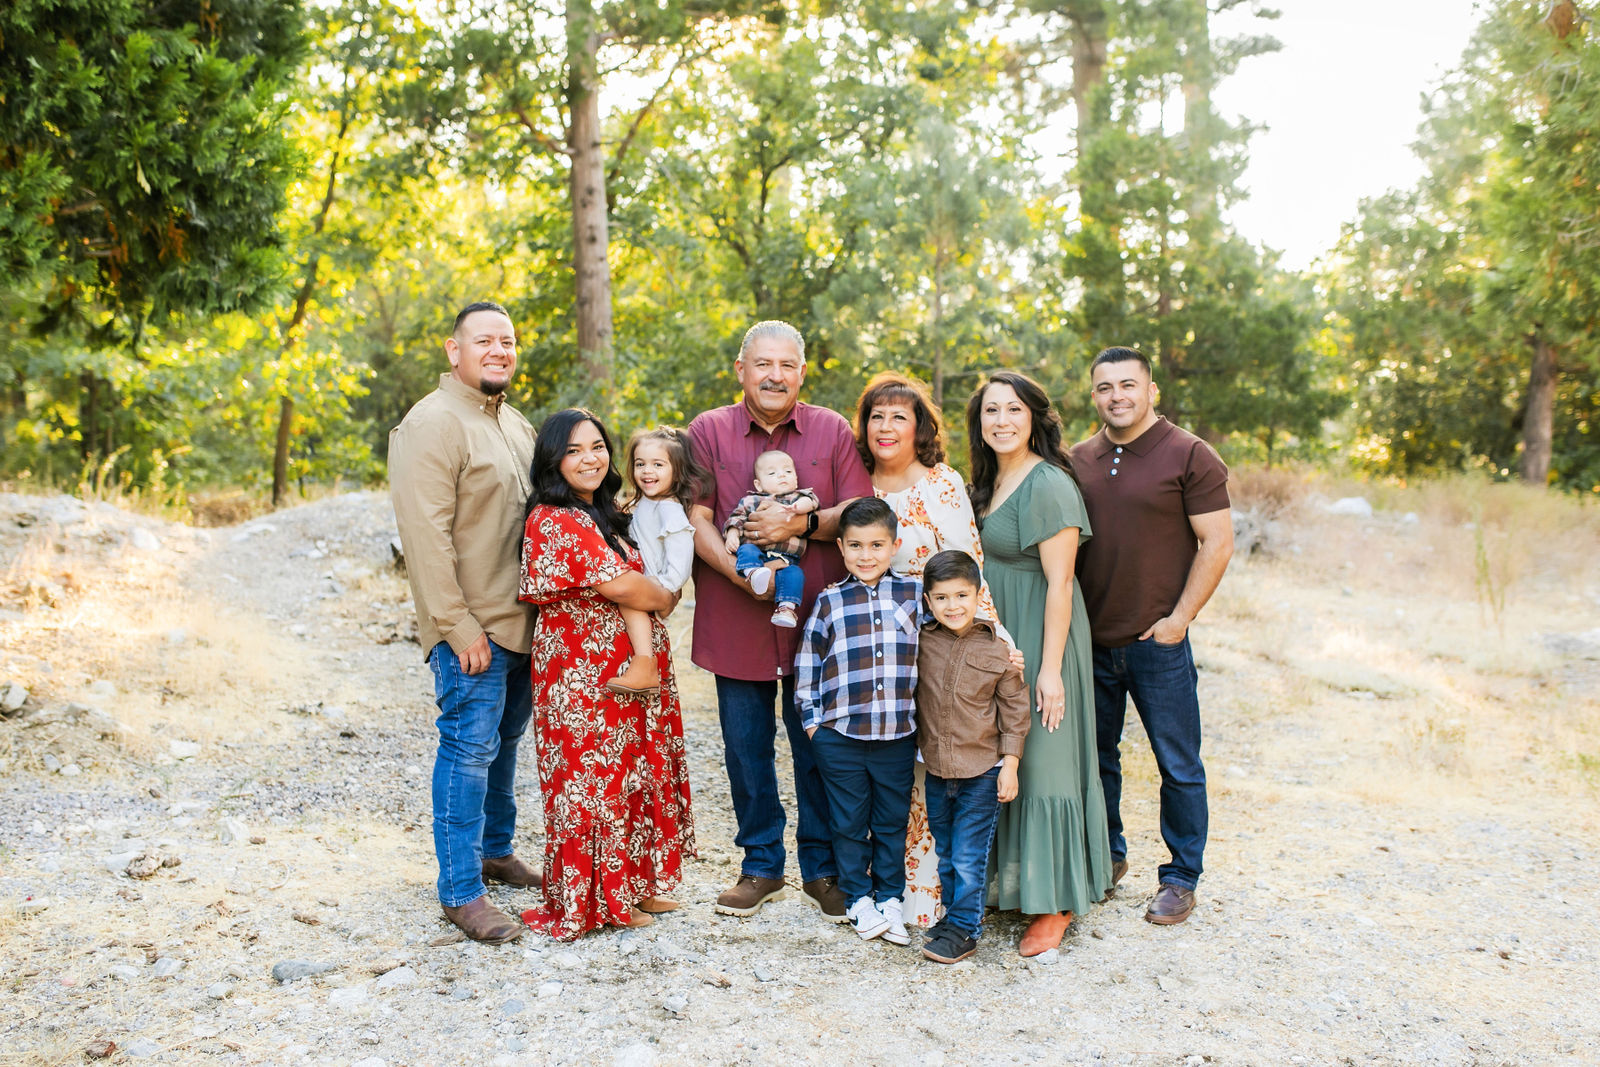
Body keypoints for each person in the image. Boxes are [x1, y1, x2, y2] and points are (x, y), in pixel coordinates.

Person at [686, 320, 875, 921]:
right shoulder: (708, 431)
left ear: (800, 373)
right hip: (734, 620)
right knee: (745, 749)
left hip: (815, 623)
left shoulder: (831, 430)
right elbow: (695, 518)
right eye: (762, 364)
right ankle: (760, 865)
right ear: (740, 370)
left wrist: (799, 525)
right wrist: (741, 575)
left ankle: (822, 869)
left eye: (786, 365)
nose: (774, 375)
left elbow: (857, 509)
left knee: (817, 748)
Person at [388, 300, 541, 945]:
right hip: (472, 630)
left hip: (524, 623)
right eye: (484, 341)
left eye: (507, 341)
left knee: (503, 745)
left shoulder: (518, 426)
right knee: (468, 748)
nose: (499, 351)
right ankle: (459, 889)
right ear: (455, 350)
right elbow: (425, 536)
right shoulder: (432, 423)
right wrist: (455, 624)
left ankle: (494, 850)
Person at [518, 409, 695, 941]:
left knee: (632, 772)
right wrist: (664, 596)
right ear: (554, 460)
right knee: (590, 782)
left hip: (624, 666)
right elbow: (623, 587)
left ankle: (631, 882)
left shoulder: (608, 512)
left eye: (597, 447)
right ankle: (594, 900)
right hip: (581, 672)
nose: (589, 458)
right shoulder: (553, 518)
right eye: (573, 451)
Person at [1069, 347, 1233, 926]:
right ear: (1093, 395)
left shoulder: (1190, 454)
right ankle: (1109, 855)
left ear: (1151, 389)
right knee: (1096, 758)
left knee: (1178, 763)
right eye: (1105, 387)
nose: (1117, 396)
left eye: (1128, 385)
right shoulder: (1077, 459)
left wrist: (1179, 620)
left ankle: (1181, 877)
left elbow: (1218, 543)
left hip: (1156, 642)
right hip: (1089, 641)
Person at [852, 370, 1011, 929]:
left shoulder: (941, 483)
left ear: (921, 427)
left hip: (939, 641)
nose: (887, 426)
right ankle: (872, 893)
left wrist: (992, 638)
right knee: (881, 770)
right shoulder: (855, 480)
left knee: (939, 769)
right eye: (877, 416)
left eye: (901, 415)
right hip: (876, 651)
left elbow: (970, 569)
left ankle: (934, 901)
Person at [967, 370, 1113, 957]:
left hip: (1045, 634)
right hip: (1003, 633)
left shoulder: (1049, 483)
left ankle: (1056, 904)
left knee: (1046, 758)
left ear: (1034, 418)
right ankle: (1014, 883)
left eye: (1013, 410)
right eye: (990, 412)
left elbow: (1060, 583)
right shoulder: (992, 480)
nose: (1001, 421)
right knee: (1004, 756)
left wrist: (1050, 670)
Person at [796, 497, 921, 946]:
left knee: (890, 820)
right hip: (841, 735)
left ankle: (890, 898)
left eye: (876, 545)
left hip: (897, 734)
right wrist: (814, 724)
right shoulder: (830, 600)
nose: (866, 556)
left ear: (894, 546)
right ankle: (857, 899)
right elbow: (808, 663)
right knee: (848, 820)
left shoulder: (913, 593)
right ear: (842, 549)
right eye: (855, 546)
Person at [915, 549, 1031, 965]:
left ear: (978, 594)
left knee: (968, 855)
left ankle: (966, 929)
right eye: (942, 597)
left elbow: (1016, 712)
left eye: (961, 595)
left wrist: (1011, 766)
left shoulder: (999, 649)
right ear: (928, 600)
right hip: (936, 769)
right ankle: (951, 918)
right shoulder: (922, 641)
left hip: (983, 771)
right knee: (946, 850)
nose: (952, 606)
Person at [607, 427, 711, 696]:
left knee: (629, 603)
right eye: (640, 464)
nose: (646, 471)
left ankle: (645, 665)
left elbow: (681, 552)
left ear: (676, 471)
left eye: (658, 465)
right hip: (642, 576)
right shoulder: (646, 503)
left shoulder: (669, 508)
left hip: (651, 582)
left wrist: (665, 586)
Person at [722, 449, 819, 628]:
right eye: (772, 473)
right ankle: (753, 573)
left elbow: (812, 502)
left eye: (788, 471)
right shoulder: (751, 501)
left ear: (796, 478)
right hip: (758, 551)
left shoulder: (798, 497)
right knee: (746, 550)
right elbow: (737, 518)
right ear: (759, 485)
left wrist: (798, 508)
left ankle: (786, 609)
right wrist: (733, 534)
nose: (782, 475)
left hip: (787, 559)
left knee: (795, 575)